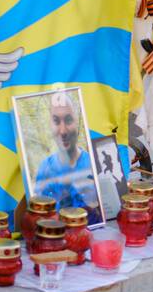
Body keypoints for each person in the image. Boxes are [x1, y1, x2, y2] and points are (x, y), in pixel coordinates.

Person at [33, 91, 103, 224]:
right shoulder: (45, 168)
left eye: (69, 120)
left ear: (78, 122)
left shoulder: (94, 164)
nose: (63, 131)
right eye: (56, 121)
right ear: (49, 125)